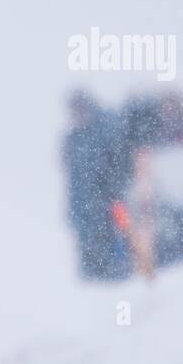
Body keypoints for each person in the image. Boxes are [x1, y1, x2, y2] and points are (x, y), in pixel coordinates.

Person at [62, 90, 130, 280]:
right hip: (85, 214)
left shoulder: (105, 133)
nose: (76, 115)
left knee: (117, 257)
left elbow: (117, 170)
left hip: (110, 208)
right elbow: (73, 182)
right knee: (90, 265)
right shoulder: (74, 139)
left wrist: (112, 199)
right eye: (73, 111)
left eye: (79, 109)